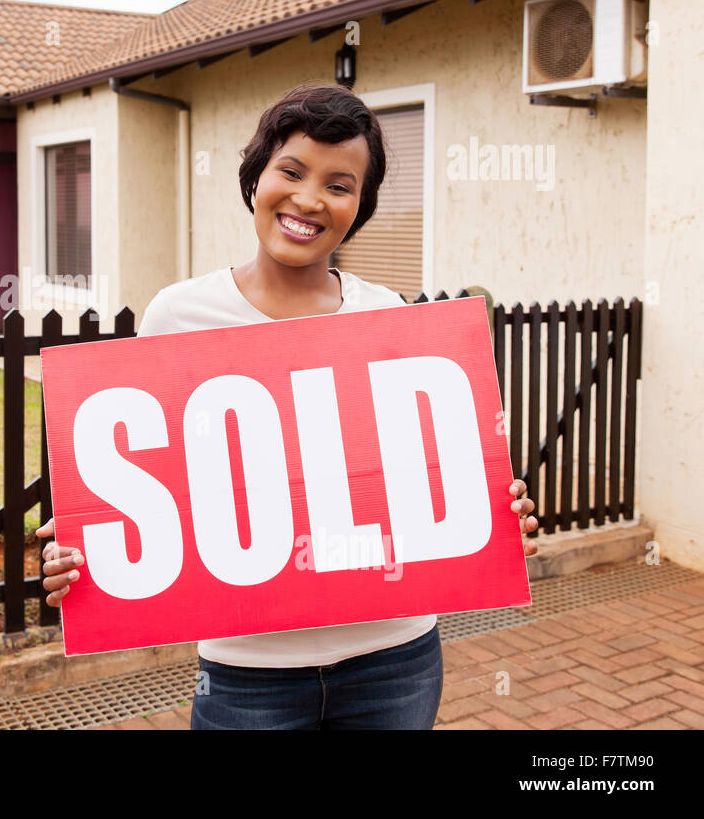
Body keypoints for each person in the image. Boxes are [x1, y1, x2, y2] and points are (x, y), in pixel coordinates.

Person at [35, 81, 540, 730]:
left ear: (359, 205)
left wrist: (494, 512)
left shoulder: (390, 318)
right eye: (292, 171)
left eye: (339, 184)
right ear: (257, 176)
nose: (308, 199)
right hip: (247, 673)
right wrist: (83, 555)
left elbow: (428, 474)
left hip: (394, 660)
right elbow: (148, 490)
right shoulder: (178, 315)